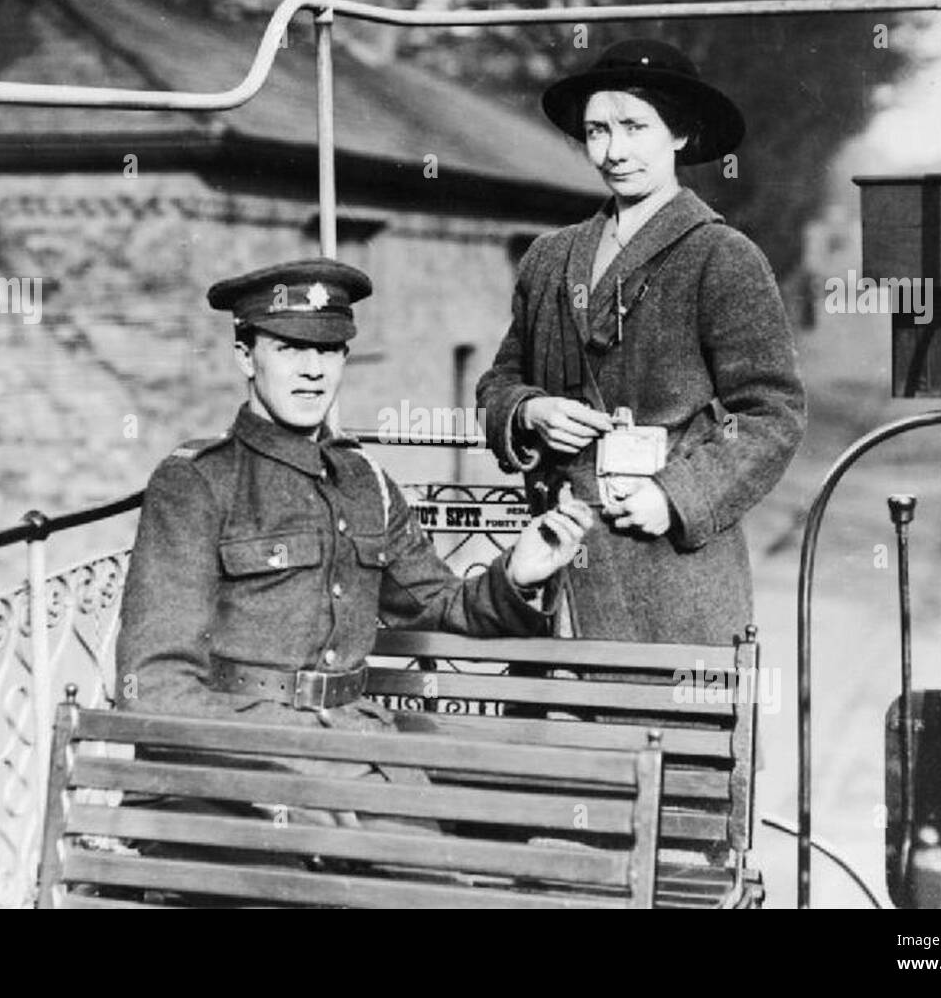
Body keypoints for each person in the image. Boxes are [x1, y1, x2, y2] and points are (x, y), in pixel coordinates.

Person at [115, 257, 594, 736]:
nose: (312, 371)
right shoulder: (197, 483)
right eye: (289, 349)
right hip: (241, 767)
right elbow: (155, 684)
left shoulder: (366, 481)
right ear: (245, 355)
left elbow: (439, 605)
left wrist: (517, 572)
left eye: (328, 351)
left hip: (355, 740)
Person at [477, 39, 806, 645]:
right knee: (560, 731)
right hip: (555, 559)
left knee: (668, 737)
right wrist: (530, 410)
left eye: (635, 127)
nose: (614, 151)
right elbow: (499, 380)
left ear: (679, 135)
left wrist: (677, 496)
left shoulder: (723, 258)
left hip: (669, 577)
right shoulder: (549, 258)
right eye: (598, 131)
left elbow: (770, 414)